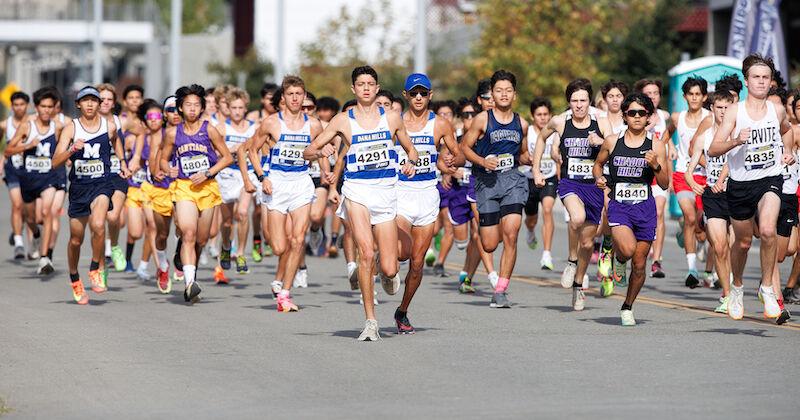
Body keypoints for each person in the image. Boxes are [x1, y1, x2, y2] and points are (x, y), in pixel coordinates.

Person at [303, 65, 418, 341]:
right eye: (361, 84)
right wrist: (321, 149)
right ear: (353, 89)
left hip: (385, 192)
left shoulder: (391, 117)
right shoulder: (343, 120)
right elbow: (308, 151)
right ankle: (370, 321)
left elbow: (411, 149)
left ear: (377, 88)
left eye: (370, 84)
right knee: (365, 253)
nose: (366, 88)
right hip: (357, 192)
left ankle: (384, 270)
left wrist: (411, 163)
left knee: (390, 267)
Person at [708, 54, 795, 321]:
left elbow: (786, 130)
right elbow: (713, 148)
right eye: (756, 77)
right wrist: (735, 141)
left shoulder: (776, 110)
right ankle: (736, 287)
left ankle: (767, 288)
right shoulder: (735, 112)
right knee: (743, 243)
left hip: (770, 178)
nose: (761, 81)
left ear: (771, 82)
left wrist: (788, 152)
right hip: (740, 184)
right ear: (746, 81)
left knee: (768, 230)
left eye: (765, 77)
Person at [243, 75, 323, 312]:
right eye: (291, 94)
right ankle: (283, 276)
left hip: (301, 183)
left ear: (304, 96)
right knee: (279, 247)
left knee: (298, 239)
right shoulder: (271, 123)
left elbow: (319, 150)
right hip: (276, 183)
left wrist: (325, 161)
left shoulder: (314, 125)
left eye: (299, 94)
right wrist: (262, 177)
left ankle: (285, 293)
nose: (295, 98)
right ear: (284, 97)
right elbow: (252, 151)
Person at [534, 78, 611, 310]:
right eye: (575, 101)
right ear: (569, 102)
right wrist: (537, 170)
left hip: (594, 186)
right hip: (570, 183)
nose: (579, 105)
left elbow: (615, 147)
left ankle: (578, 285)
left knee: (587, 243)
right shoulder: (560, 121)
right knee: (576, 218)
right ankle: (571, 259)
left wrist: (601, 141)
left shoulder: (601, 122)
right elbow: (541, 138)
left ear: (589, 102)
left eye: (583, 100)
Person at [592, 92, 669, 326]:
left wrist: (656, 166)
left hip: (645, 207)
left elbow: (664, 184)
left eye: (641, 113)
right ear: (625, 116)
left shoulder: (656, 145)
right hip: (619, 205)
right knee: (627, 250)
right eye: (632, 112)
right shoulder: (612, 141)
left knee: (639, 264)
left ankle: (627, 306)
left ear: (648, 117)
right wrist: (599, 178)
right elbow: (598, 164)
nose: (636, 116)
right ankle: (617, 257)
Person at [394, 72, 462, 333]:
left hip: (427, 194)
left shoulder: (440, 124)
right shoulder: (395, 123)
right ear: (406, 95)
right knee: (401, 253)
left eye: (423, 93)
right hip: (401, 191)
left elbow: (458, 155)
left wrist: (451, 161)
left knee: (417, 262)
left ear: (430, 95)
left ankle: (402, 311)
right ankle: (384, 262)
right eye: (414, 93)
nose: (419, 97)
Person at [460, 69, 530, 309]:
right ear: (493, 93)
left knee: (512, 233)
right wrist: (482, 161)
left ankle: (500, 290)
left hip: (512, 181)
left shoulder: (522, 123)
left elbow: (522, 154)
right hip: (486, 183)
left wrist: (530, 159)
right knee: (490, 243)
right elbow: (465, 147)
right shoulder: (482, 119)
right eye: (499, 90)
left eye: (508, 90)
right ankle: (491, 234)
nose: (504, 94)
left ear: (514, 94)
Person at [52, 86, 129, 305]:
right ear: (78, 104)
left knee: (98, 225)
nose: (89, 104)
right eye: (85, 100)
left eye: (93, 100)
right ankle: (75, 278)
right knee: (76, 240)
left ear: (99, 104)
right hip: (79, 188)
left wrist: (122, 162)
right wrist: (71, 150)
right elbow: (55, 162)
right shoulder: (71, 128)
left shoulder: (109, 126)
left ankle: (95, 268)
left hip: (101, 184)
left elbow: (116, 141)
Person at [159, 84, 233, 304]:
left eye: (196, 105)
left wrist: (208, 173)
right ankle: (190, 283)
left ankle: (185, 257)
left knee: (201, 238)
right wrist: (168, 169)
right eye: (188, 105)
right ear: (180, 108)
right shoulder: (173, 133)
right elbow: (163, 159)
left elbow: (227, 157)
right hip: (184, 187)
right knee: (189, 233)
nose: (192, 109)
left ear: (202, 108)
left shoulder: (209, 130)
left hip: (207, 188)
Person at [4, 87, 65, 275]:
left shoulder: (58, 127)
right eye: (43, 106)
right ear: (36, 107)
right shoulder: (27, 126)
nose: (46, 110)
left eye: (50, 107)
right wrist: (27, 145)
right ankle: (36, 235)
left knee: (47, 212)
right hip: (28, 179)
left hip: (49, 178)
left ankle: (44, 257)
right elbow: (8, 150)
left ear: (54, 108)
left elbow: (64, 146)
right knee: (31, 219)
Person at [685, 90, 735, 316]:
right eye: (719, 107)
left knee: (736, 246)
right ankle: (727, 294)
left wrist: (723, 180)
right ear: (712, 109)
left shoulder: (737, 134)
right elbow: (690, 168)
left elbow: (733, 161)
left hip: (737, 193)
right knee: (719, 247)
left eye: (727, 108)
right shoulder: (704, 138)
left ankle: (736, 284)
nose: (723, 112)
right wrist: (692, 182)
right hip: (713, 195)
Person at [664, 77, 710, 288]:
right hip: (683, 174)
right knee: (690, 217)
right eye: (690, 94)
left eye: (698, 94)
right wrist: (670, 148)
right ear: (684, 96)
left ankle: (690, 231)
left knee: (701, 225)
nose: (694, 98)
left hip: (706, 175)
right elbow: (664, 139)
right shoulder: (677, 118)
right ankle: (692, 269)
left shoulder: (711, 117)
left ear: (704, 97)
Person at [214, 87, 258, 279]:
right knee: (226, 221)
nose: (237, 112)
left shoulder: (255, 128)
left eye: (240, 108)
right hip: (226, 175)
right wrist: (230, 150)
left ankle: (240, 253)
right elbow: (213, 152)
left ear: (245, 108)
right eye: (234, 108)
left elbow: (260, 149)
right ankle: (225, 246)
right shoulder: (221, 128)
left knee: (242, 212)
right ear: (228, 109)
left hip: (246, 174)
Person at [634, 79, 675, 278]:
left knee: (659, 212)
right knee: (639, 216)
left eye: (656, 93)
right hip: (639, 174)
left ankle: (656, 260)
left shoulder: (665, 116)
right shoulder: (636, 116)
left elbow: (668, 139)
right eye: (648, 93)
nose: (652, 96)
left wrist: (671, 147)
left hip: (659, 171)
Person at [142, 96, 178, 293]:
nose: (175, 113)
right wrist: (158, 171)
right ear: (165, 114)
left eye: (178, 109)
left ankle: (182, 260)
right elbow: (154, 161)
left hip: (184, 187)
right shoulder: (160, 134)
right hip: (162, 188)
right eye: (171, 110)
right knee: (162, 234)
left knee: (185, 228)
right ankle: (163, 266)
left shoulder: (192, 132)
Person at [98, 84, 133, 272]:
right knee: (98, 222)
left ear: (114, 103)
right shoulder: (86, 123)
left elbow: (143, 132)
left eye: (109, 99)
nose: (105, 102)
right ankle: (100, 261)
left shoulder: (122, 122)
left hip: (117, 173)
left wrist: (134, 157)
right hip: (95, 176)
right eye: (101, 99)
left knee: (113, 217)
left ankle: (114, 246)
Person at [522, 97, 558, 270]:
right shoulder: (527, 132)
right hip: (529, 178)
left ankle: (546, 254)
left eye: (545, 114)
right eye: (539, 114)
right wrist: (527, 158)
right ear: (532, 116)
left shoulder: (555, 133)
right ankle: (530, 231)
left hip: (549, 177)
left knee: (548, 210)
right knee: (531, 219)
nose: (543, 118)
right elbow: (520, 153)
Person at [1, 91, 30, 259]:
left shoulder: (33, 122)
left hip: (31, 170)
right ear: (11, 106)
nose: (19, 108)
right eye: (16, 105)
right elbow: (3, 148)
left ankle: (18, 228)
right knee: (17, 204)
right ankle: (19, 243)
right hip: (12, 169)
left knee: (28, 210)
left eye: (22, 104)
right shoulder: (5, 125)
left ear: (27, 105)